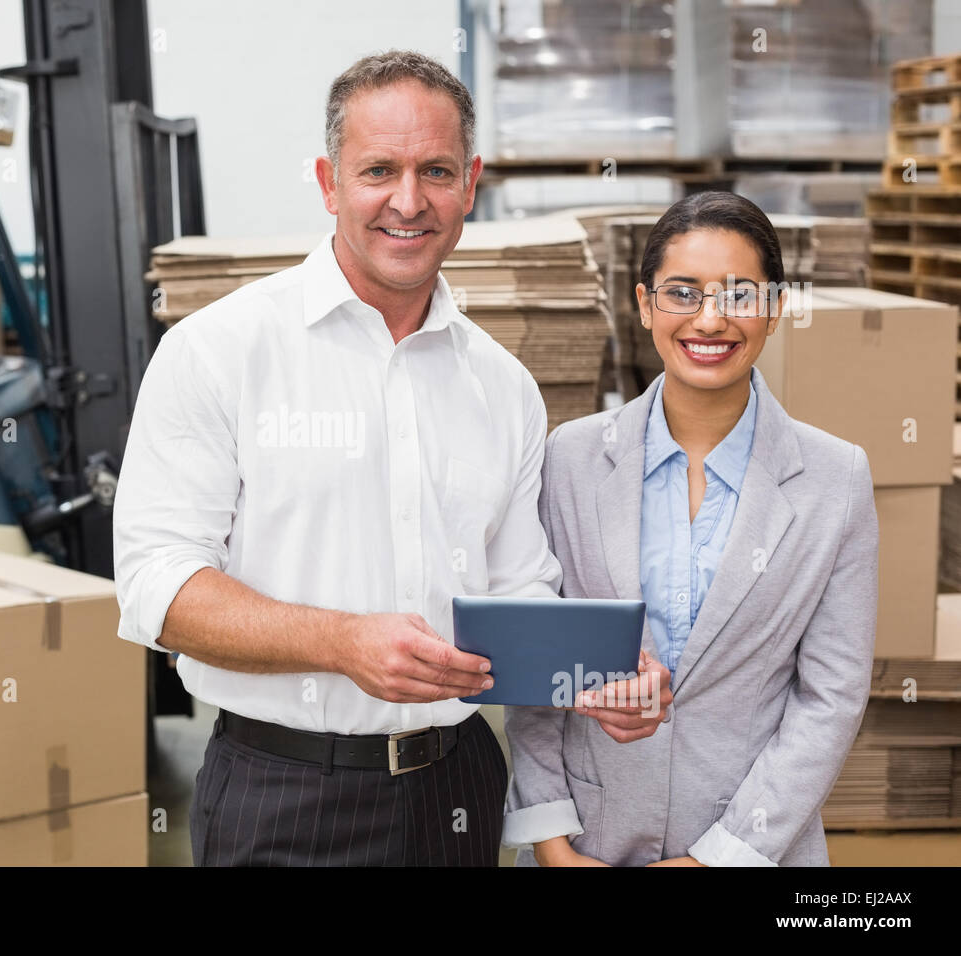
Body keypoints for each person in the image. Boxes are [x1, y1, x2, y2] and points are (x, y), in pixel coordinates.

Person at [113, 49, 670, 867]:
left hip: (458, 790)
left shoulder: (502, 386)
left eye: (436, 171)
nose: (408, 202)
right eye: (379, 170)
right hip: (285, 792)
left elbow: (517, 589)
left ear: (470, 183)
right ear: (329, 181)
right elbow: (156, 588)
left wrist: (601, 676)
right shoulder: (220, 352)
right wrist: (339, 643)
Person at [503, 191, 879, 866]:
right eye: (683, 292)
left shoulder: (835, 478)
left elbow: (831, 698)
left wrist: (723, 856)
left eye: (740, 294)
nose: (710, 318)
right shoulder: (571, 457)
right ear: (644, 305)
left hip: (757, 846)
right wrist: (551, 839)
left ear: (775, 308)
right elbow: (538, 668)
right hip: (590, 843)